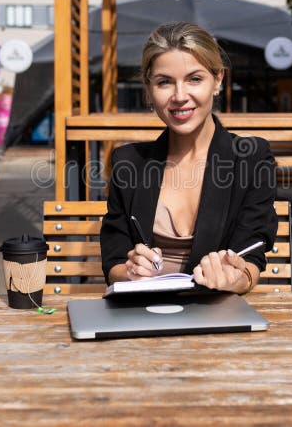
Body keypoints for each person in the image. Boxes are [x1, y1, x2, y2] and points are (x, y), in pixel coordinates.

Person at [100, 22, 277, 294]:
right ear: (148, 91)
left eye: (195, 79)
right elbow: (114, 259)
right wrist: (130, 272)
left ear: (218, 81)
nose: (180, 96)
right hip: (143, 318)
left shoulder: (251, 159)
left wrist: (236, 279)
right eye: (164, 82)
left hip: (218, 316)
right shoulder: (128, 163)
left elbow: (252, 256)